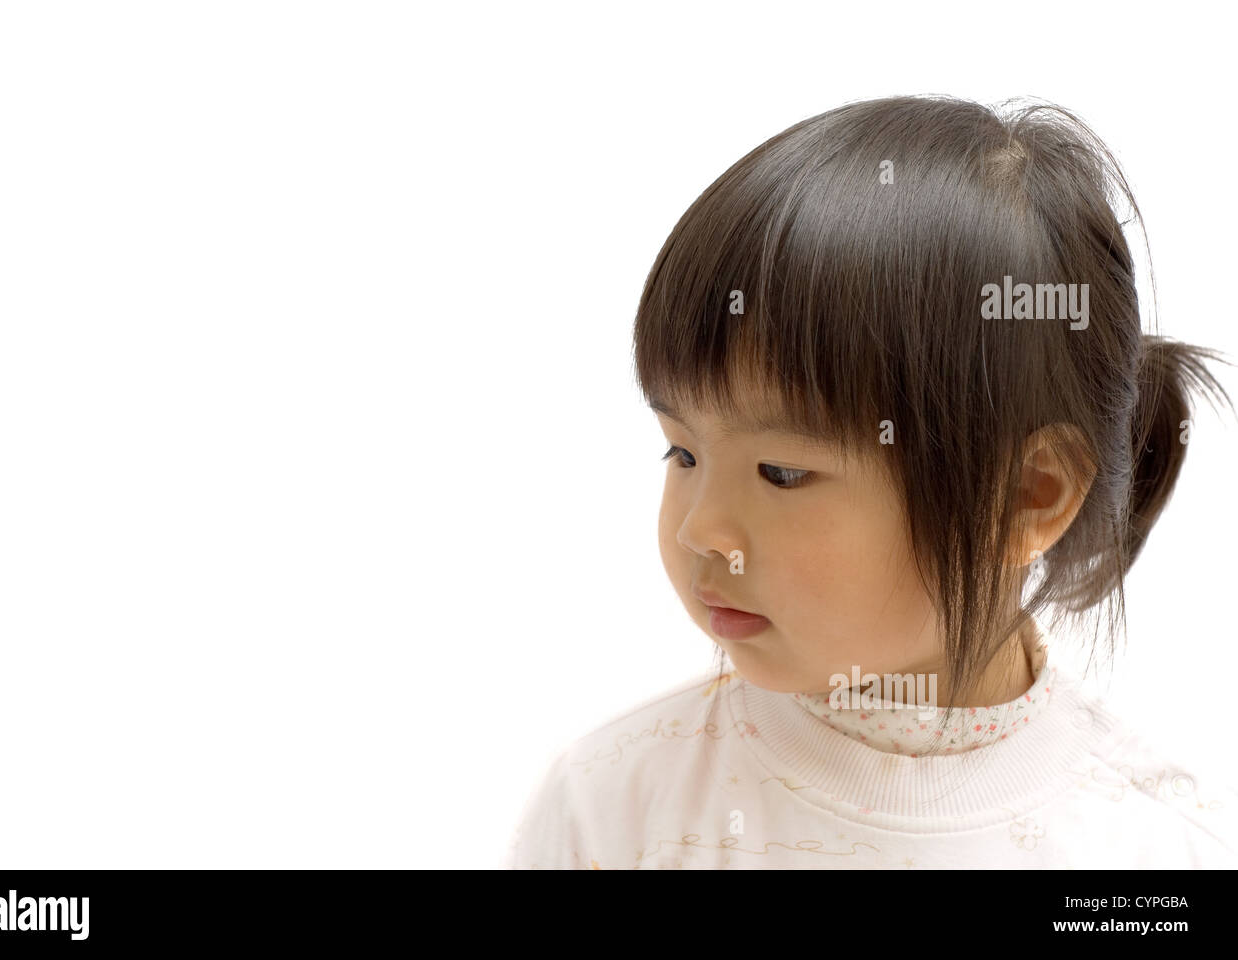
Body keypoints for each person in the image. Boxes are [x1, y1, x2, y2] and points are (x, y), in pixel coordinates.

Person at [505, 95, 1236, 869]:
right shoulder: (614, 807)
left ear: (1028, 497)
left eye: (782, 472)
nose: (700, 530)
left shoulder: (1153, 850)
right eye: (682, 455)